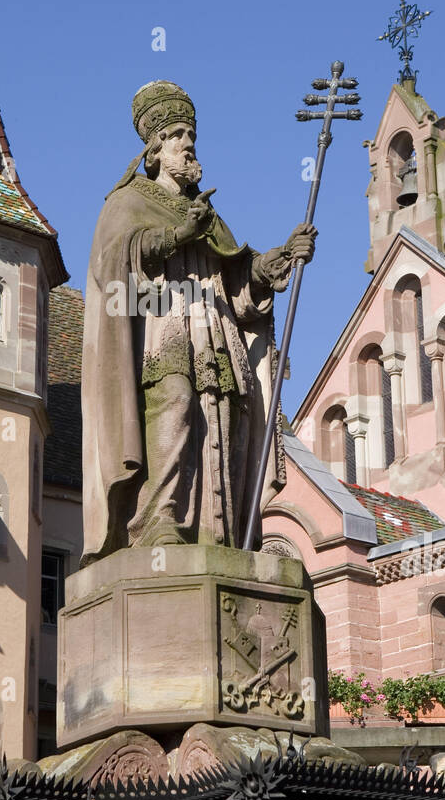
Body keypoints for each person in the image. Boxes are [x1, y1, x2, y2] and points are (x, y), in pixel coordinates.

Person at [82, 79, 314, 563]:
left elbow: (238, 284)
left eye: (192, 136)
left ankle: (218, 535)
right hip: (162, 325)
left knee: (220, 416)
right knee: (175, 400)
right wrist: (173, 235)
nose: (189, 144)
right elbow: (112, 266)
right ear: (155, 149)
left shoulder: (208, 214)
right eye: (179, 135)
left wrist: (277, 261)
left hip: (213, 332)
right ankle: (159, 520)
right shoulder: (126, 202)